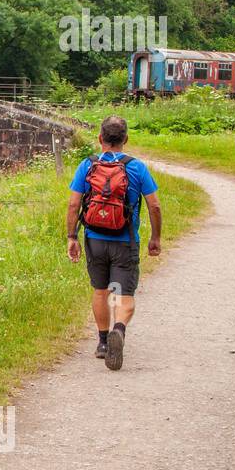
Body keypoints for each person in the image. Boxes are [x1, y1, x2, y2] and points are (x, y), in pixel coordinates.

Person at [66, 115, 162, 371]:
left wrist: (72, 237)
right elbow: (154, 205)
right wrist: (155, 237)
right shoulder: (137, 167)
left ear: (100, 139)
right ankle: (118, 330)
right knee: (124, 293)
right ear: (126, 139)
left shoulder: (87, 165)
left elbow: (74, 204)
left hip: (94, 239)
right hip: (125, 241)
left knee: (100, 290)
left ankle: (102, 343)